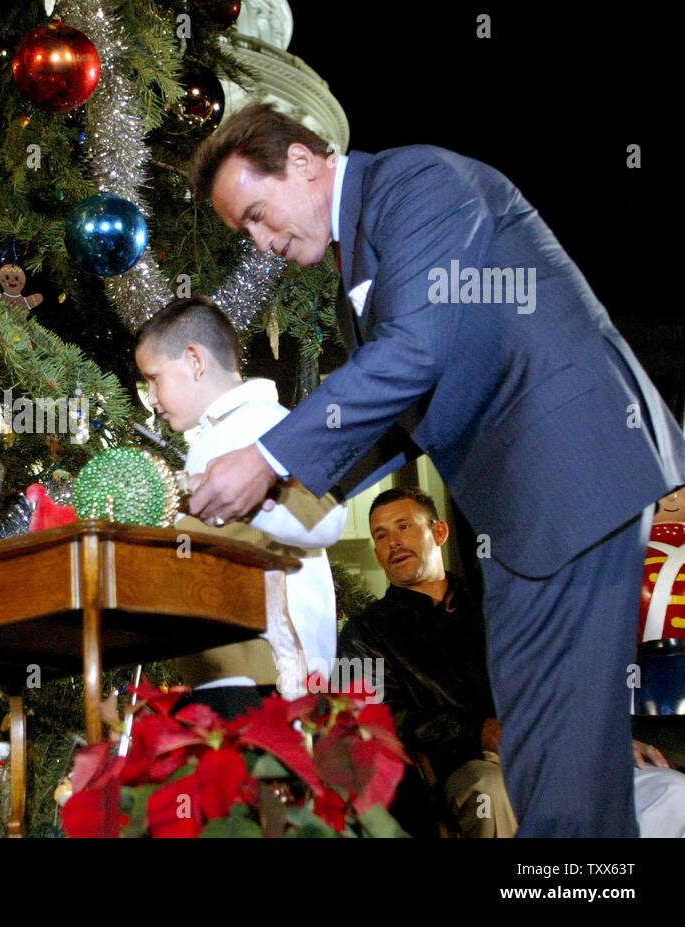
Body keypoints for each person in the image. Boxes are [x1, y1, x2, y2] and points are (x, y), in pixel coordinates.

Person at [183, 103, 685, 836]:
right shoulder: (363, 248)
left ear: (302, 160)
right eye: (245, 232)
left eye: (258, 215)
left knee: (561, 765)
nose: (260, 242)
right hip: (527, 514)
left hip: (573, 478)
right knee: (550, 755)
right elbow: (398, 411)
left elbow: (416, 350)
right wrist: (280, 501)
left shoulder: (415, 182)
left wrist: (266, 456)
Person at [343, 486, 685, 837]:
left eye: (404, 526)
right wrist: (477, 731)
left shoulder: (503, 602)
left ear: (440, 532)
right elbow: (369, 718)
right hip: (469, 766)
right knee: (493, 793)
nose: (393, 542)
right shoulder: (365, 632)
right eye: (381, 535)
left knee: (671, 792)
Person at [134, 296, 346, 711]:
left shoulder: (262, 422)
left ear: (195, 360)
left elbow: (328, 518)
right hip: (230, 672)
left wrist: (247, 495)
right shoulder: (215, 436)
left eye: (154, 378)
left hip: (273, 678)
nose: (152, 398)